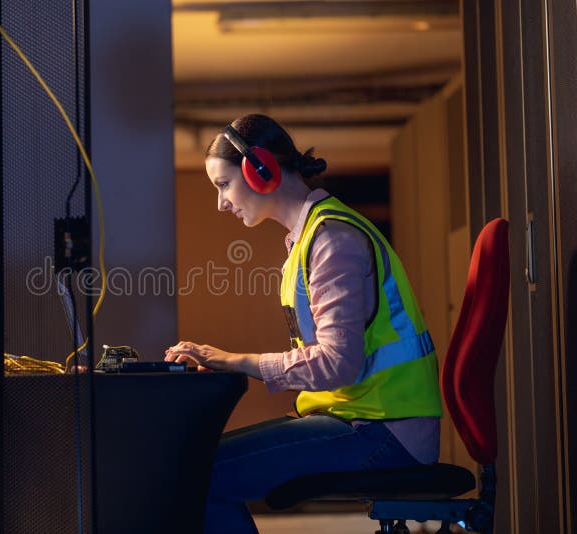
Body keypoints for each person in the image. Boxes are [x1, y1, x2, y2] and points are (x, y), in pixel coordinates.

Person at [164, 114, 443, 533]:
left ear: (261, 171)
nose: (220, 202)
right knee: (198, 467)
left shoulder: (332, 240)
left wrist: (234, 360)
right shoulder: (310, 237)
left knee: (197, 475)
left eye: (223, 185)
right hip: (365, 419)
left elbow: (338, 364)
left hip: (385, 432)